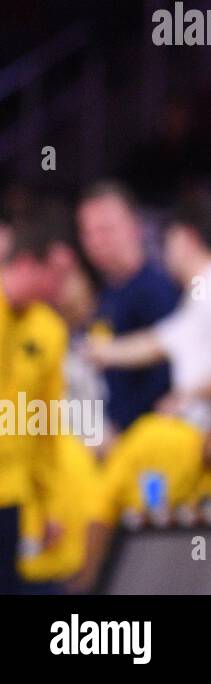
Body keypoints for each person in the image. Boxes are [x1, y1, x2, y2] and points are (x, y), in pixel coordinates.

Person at [86, 197, 211, 430]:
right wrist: (101, 352)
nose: (165, 251)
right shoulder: (199, 294)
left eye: (169, 240)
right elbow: (157, 342)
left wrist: (188, 396)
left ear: (188, 238)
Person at [68, 394, 211, 593]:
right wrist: (89, 577)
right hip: (112, 546)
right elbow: (103, 507)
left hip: (169, 567)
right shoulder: (160, 439)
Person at [0, 215, 78, 594]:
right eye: (56, 274)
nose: (63, 286)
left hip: (9, 496)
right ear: (29, 262)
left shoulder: (49, 331)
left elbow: (46, 425)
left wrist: (50, 506)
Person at [77, 181, 179, 432]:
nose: (96, 241)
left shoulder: (158, 289)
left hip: (158, 433)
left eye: (106, 229)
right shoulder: (106, 296)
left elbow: (171, 362)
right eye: (88, 232)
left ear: (135, 227)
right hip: (119, 440)